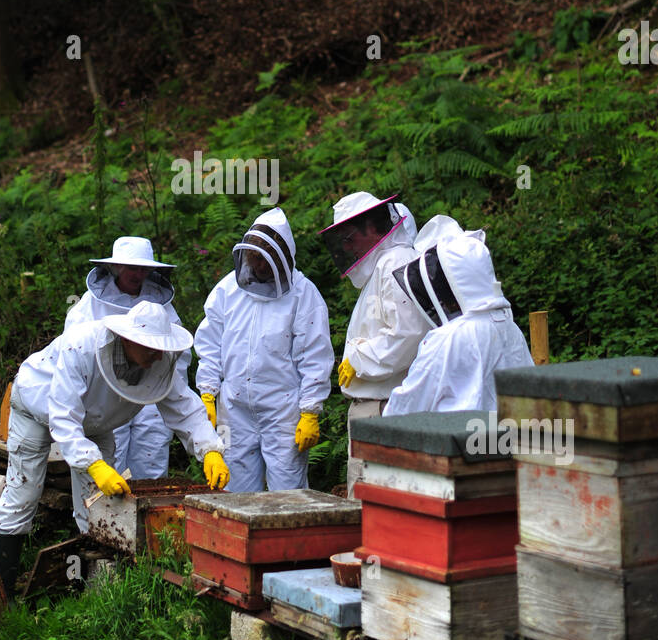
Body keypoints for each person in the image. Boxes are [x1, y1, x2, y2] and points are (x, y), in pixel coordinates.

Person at [0, 301, 228, 595]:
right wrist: (94, 463)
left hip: (97, 425)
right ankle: (2, 595)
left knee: (95, 510)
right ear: (127, 340)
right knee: (23, 495)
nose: (156, 357)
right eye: (150, 349)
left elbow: (186, 408)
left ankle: (85, 592)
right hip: (36, 407)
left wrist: (210, 449)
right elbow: (64, 418)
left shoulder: (158, 363)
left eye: (160, 350)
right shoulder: (81, 347)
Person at [194, 207, 334, 493]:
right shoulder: (227, 291)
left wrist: (310, 410)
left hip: (283, 412)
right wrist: (207, 393)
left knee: (287, 495)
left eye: (264, 261)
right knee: (233, 493)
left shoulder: (304, 294)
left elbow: (314, 356)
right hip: (232, 410)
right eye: (255, 259)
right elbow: (210, 344)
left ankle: (288, 541)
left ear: (283, 258)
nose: (258, 267)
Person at [319, 191, 430, 493]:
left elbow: (407, 334)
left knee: (373, 505)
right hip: (376, 406)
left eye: (350, 236)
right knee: (367, 502)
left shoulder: (396, 262)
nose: (347, 246)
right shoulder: (384, 266)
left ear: (372, 227)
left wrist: (358, 362)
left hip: (385, 406)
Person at [64, 236, 187, 479]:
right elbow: (72, 356)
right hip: (106, 396)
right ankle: (107, 517)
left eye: (143, 269)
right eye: (132, 267)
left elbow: (177, 354)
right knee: (110, 464)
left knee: (150, 465)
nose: (137, 274)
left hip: (152, 396)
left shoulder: (160, 304)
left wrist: (173, 394)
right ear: (116, 266)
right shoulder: (88, 306)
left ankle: (147, 517)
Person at [384, 226, 533, 413]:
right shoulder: (508, 326)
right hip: (509, 437)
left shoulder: (446, 339)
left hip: (459, 439)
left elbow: (406, 407)